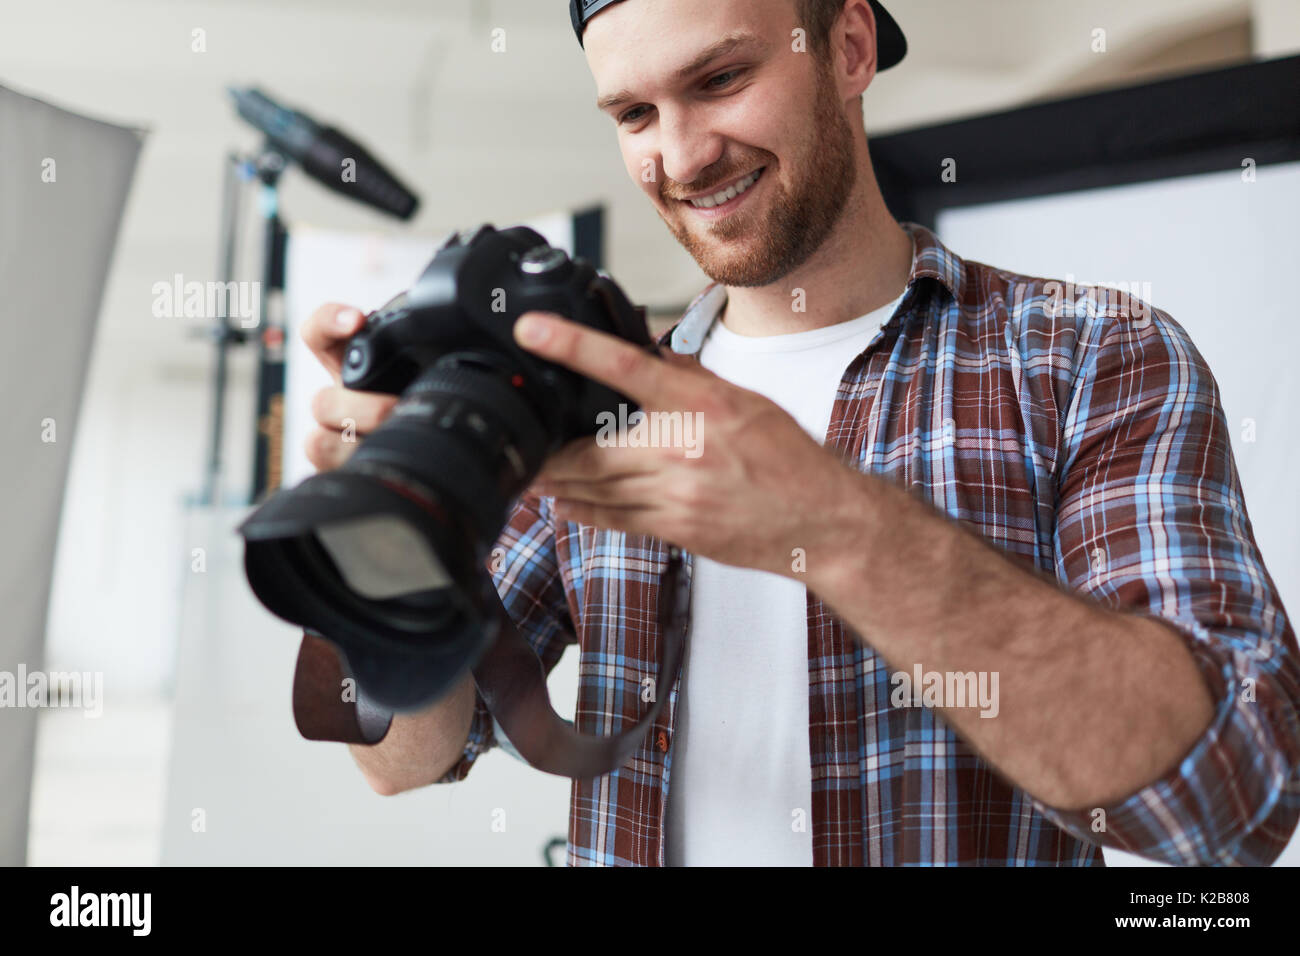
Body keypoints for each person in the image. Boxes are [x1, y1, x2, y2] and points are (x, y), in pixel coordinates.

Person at [298, 0, 1300, 866]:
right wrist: (384, 529)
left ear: (850, 46)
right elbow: (407, 754)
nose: (683, 155)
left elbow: (1228, 797)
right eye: (635, 112)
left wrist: (834, 522)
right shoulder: (590, 392)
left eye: (721, 77)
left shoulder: (1093, 357)